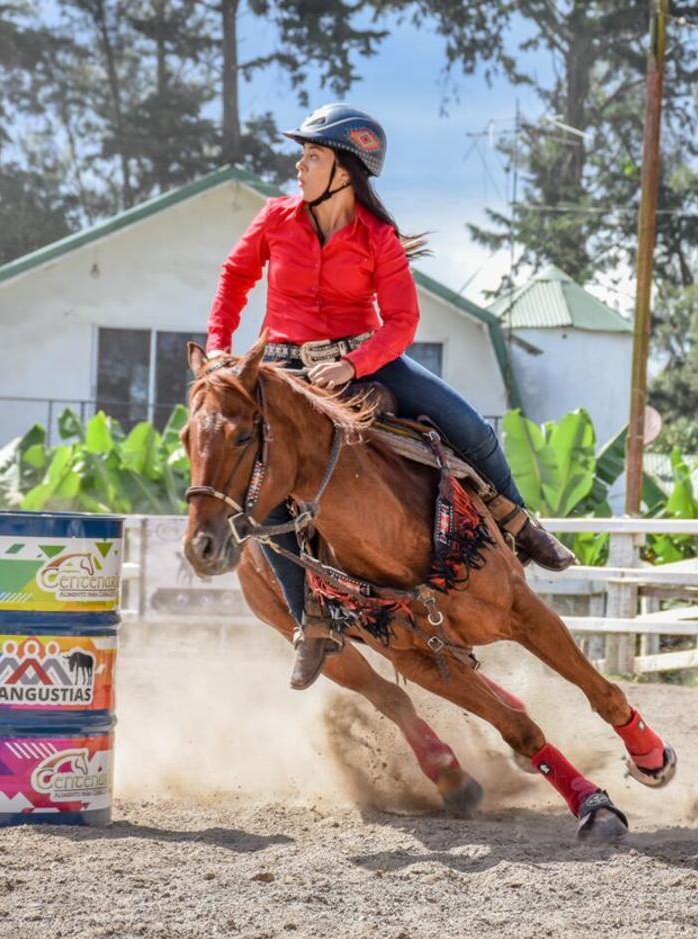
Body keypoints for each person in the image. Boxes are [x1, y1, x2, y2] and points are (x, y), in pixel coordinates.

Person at [203, 103, 575, 690]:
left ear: (346, 170)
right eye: (302, 156)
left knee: (472, 428)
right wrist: (220, 348)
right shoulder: (275, 217)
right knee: (269, 481)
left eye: (313, 156)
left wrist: (353, 364)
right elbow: (233, 279)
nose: (300, 167)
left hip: (365, 360)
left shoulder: (378, 237)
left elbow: (402, 322)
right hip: (281, 366)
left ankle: (520, 524)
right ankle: (310, 624)